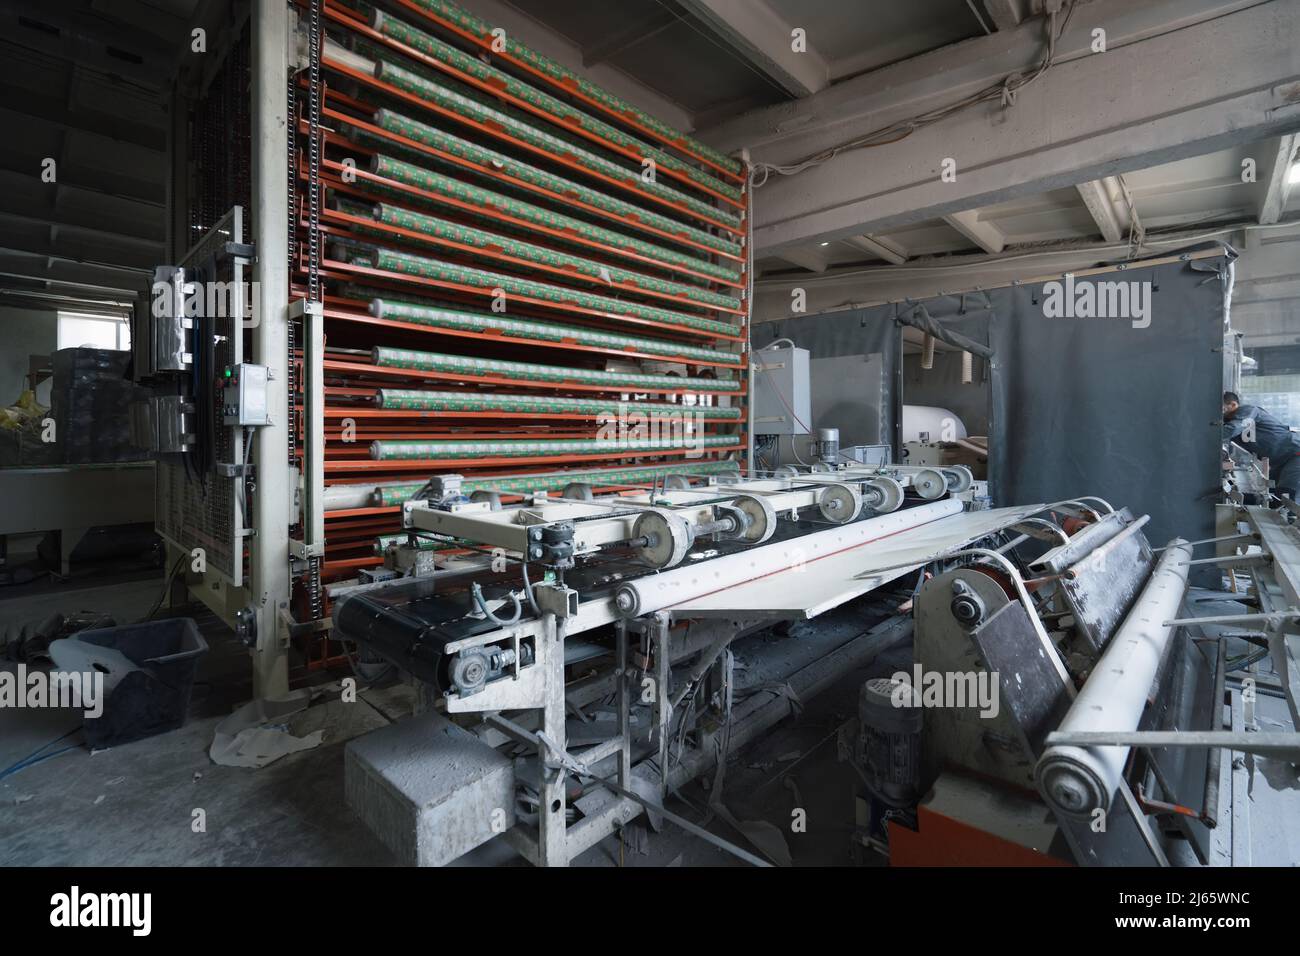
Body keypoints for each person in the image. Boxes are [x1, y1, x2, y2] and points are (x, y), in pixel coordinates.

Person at [1223, 391, 1300, 503]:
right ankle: (1234, 498)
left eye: (1222, 407)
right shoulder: (1229, 422)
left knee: (1285, 497)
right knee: (1271, 497)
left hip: (1295, 453)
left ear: (1233, 404)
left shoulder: (1248, 411)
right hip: (1279, 461)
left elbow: (1232, 429)